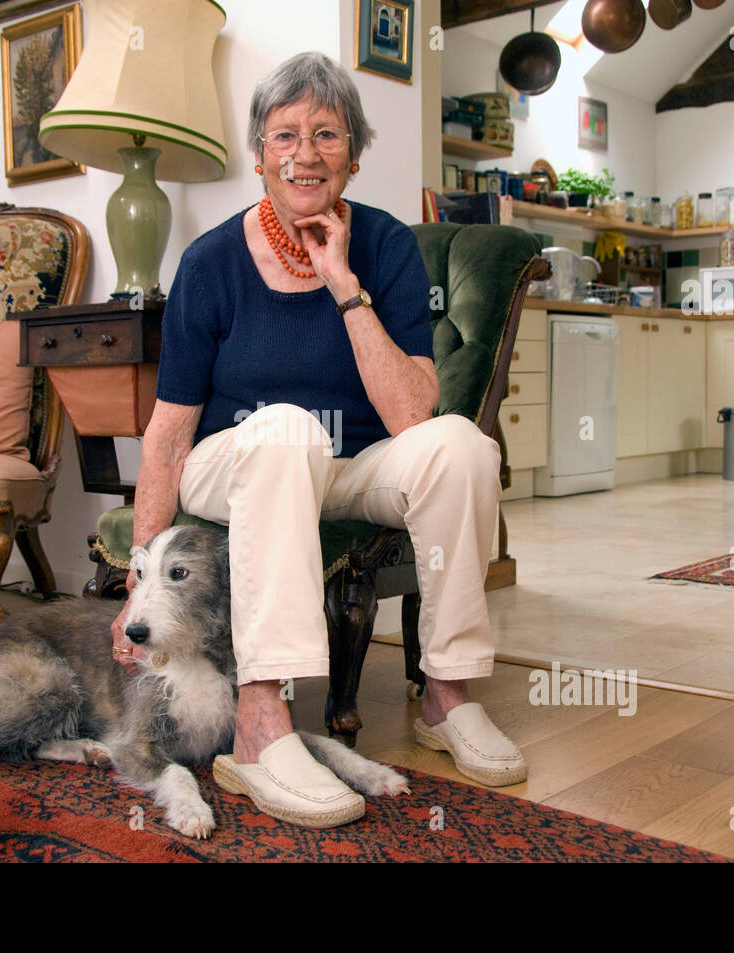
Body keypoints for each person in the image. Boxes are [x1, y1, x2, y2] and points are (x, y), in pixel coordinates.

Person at [109, 51, 526, 828]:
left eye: (327, 133)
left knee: (461, 445)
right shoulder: (210, 264)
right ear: (260, 155)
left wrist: (343, 283)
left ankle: (446, 693)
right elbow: (168, 432)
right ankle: (262, 724)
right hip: (234, 461)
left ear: (354, 156)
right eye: (285, 134)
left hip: (344, 462)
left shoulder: (388, 248)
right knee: (286, 432)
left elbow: (412, 416)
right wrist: (141, 578)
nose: (305, 152)